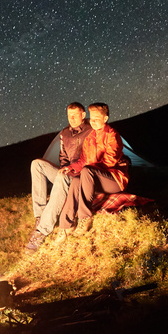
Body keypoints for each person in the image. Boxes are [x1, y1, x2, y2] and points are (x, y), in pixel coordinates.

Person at [24, 102, 92, 252]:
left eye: (75, 115)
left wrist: (70, 170)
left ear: (83, 115)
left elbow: (91, 158)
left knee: (62, 178)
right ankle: (40, 216)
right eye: (69, 116)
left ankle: (42, 231)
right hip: (67, 172)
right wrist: (64, 168)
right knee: (37, 164)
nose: (72, 119)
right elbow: (63, 157)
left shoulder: (90, 130)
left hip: (80, 176)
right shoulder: (64, 133)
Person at [57, 102, 130, 239]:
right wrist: (70, 167)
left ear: (105, 119)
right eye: (92, 118)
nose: (93, 122)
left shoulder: (112, 135)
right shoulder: (90, 137)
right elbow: (83, 161)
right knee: (76, 180)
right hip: (95, 177)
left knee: (87, 171)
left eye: (97, 118)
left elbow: (110, 162)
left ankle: (85, 218)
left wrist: (88, 169)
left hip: (114, 179)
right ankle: (66, 226)